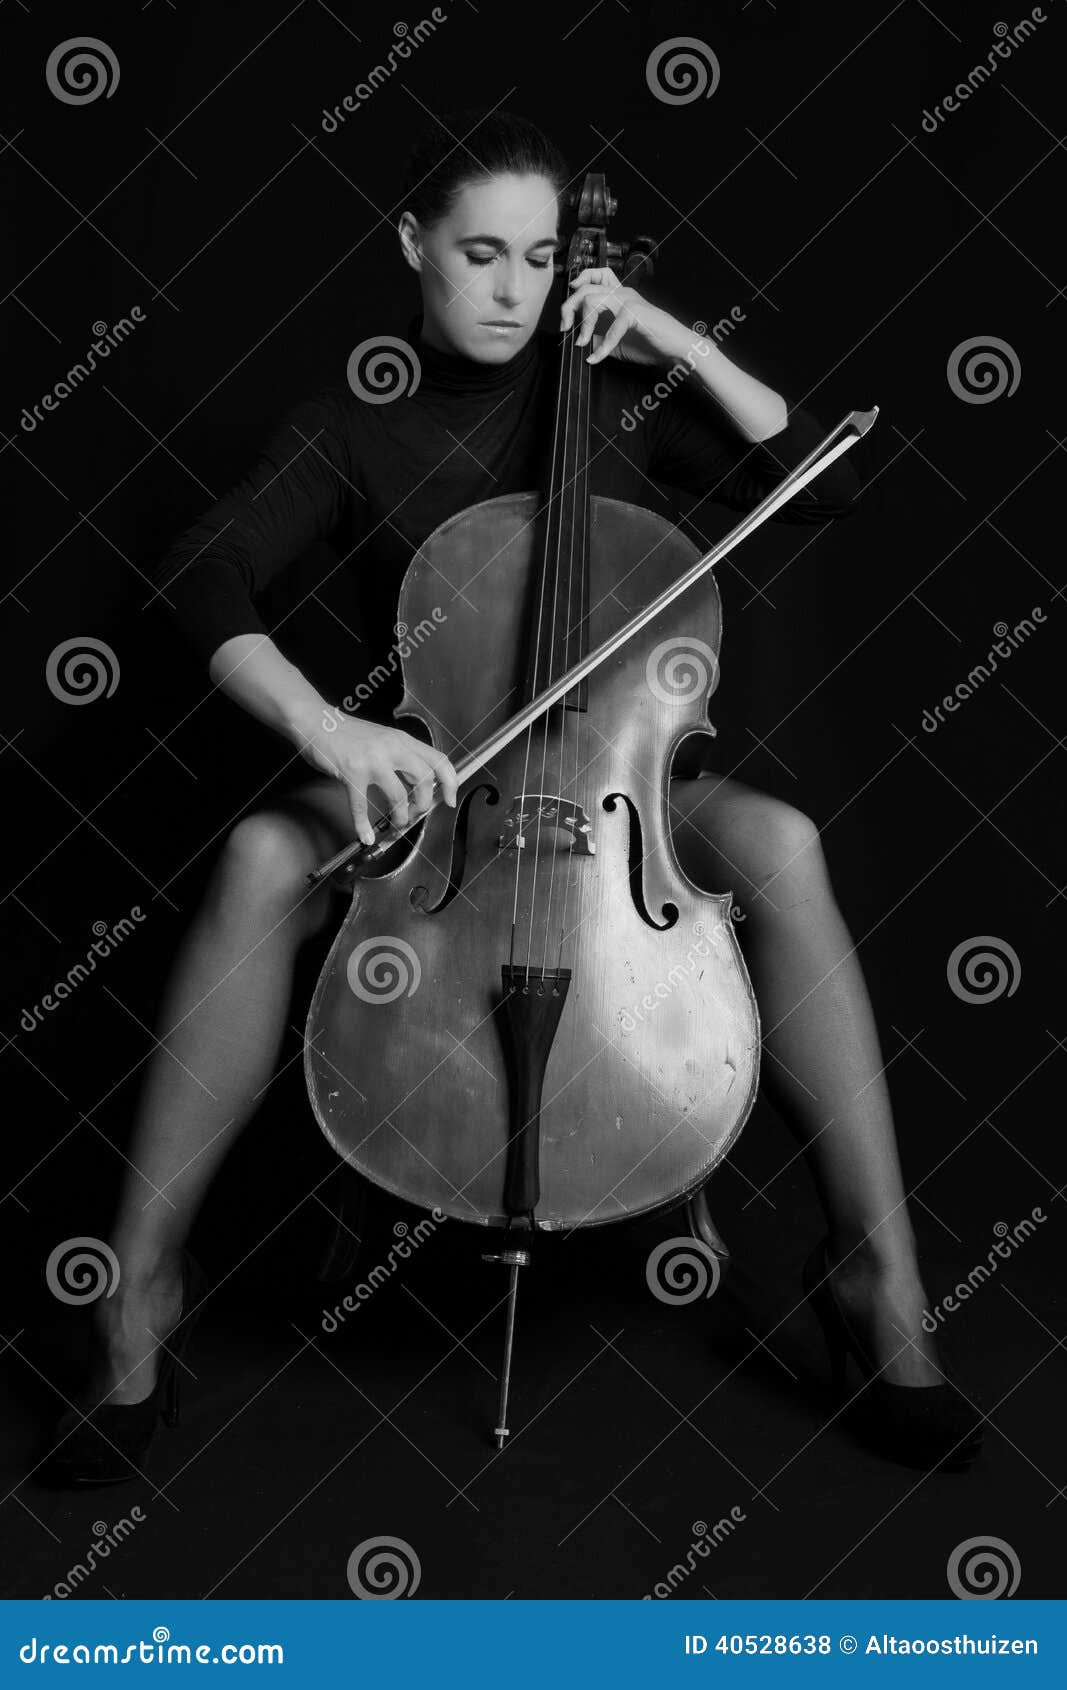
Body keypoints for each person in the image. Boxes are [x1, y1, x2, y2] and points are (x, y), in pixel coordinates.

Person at [48, 111, 981, 1485]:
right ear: (413, 244)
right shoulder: (351, 426)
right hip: (438, 796)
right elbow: (203, 571)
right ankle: (137, 1292)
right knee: (259, 854)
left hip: (620, 797)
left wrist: (671, 339)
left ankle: (877, 1278)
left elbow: (818, 487)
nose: (512, 289)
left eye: (541, 259)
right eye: (480, 252)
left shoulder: (614, 403)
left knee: (783, 841)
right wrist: (331, 730)